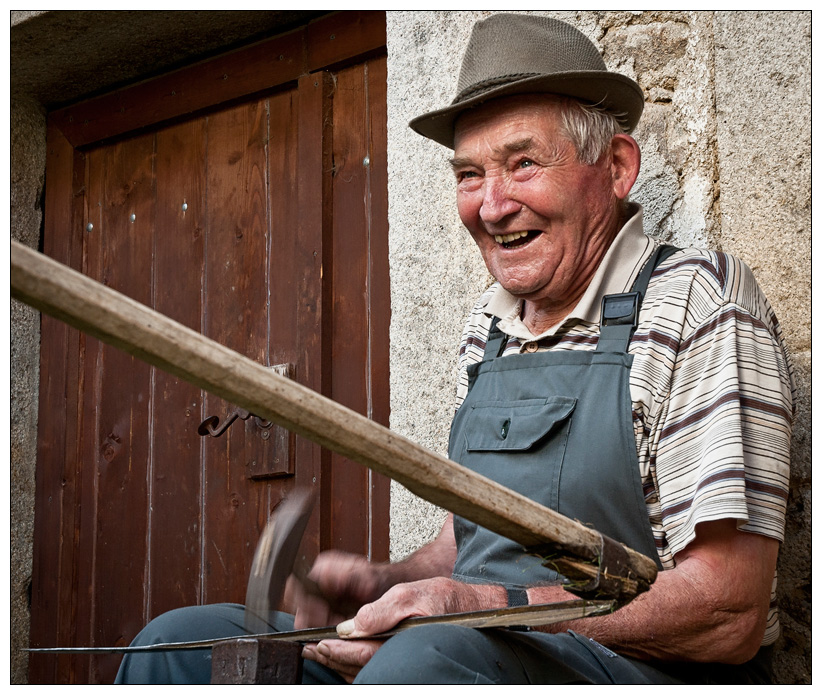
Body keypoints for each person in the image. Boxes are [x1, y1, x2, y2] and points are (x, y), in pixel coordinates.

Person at [115, 13, 794, 685]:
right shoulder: (489, 327)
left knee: (423, 661)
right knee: (177, 646)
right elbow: (468, 545)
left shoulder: (696, 300)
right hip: (471, 651)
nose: (492, 206)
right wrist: (387, 583)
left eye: (523, 164)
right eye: (470, 174)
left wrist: (480, 609)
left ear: (616, 167)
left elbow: (727, 609)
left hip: (630, 667)